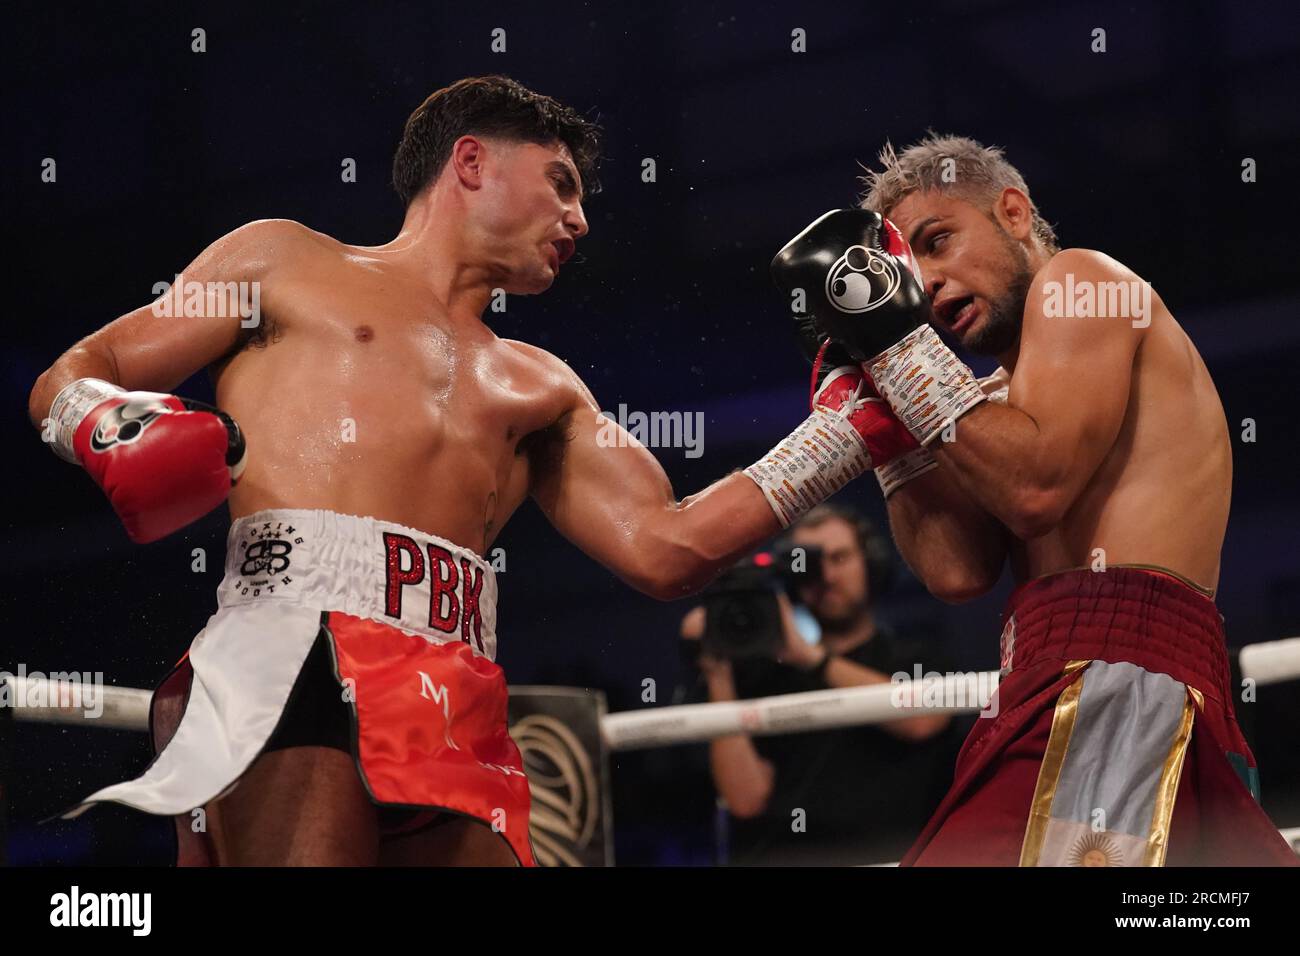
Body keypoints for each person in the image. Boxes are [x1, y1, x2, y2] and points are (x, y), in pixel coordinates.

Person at [27, 76, 925, 866]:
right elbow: (77, 369)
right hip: (296, 648)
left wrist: (846, 426)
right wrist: (108, 424)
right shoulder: (285, 261)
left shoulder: (544, 387)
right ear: (470, 162)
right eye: (561, 183)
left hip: (457, 685)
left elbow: (669, 547)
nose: (580, 219)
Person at [770, 134, 1297, 865]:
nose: (926, 282)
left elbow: (1035, 488)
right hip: (1049, 692)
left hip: (1118, 689)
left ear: (1013, 212)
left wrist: (897, 349)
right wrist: (888, 426)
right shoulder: (982, 408)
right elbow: (957, 572)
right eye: (906, 270)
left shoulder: (1082, 283)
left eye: (939, 240)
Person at [682, 503, 956, 865]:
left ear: (870, 563)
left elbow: (922, 721)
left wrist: (808, 656)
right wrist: (717, 670)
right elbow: (745, 799)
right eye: (807, 563)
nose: (825, 575)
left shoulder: (915, 659)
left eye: (839, 558)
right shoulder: (761, 676)